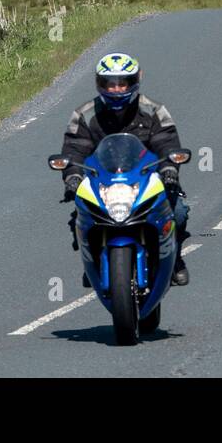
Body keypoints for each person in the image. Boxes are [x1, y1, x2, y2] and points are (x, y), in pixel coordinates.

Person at [59, 53, 191, 286]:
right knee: (80, 216)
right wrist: (72, 176)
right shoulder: (85, 114)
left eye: (122, 83)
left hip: (146, 181)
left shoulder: (154, 111)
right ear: (100, 84)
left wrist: (169, 169)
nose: (117, 89)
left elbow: (167, 143)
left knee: (177, 212)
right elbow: (74, 149)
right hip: (103, 184)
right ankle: (93, 262)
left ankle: (175, 259)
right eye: (111, 83)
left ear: (133, 83)